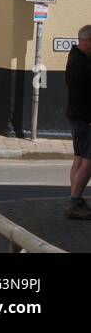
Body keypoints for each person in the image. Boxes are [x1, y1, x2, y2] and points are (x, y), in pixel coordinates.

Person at [65, 25, 91, 220]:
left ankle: (75, 199)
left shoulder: (77, 58)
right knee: (87, 162)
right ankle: (75, 201)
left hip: (78, 117)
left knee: (79, 158)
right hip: (85, 118)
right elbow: (81, 95)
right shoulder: (79, 64)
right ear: (86, 42)